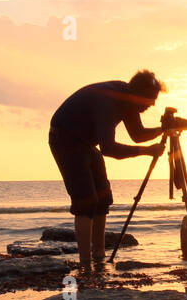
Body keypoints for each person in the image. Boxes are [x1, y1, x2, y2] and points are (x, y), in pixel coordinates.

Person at [48, 70, 168, 275]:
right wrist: (147, 152)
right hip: (65, 139)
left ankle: (99, 257)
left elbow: (137, 135)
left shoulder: (128, 100)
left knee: (103, 197)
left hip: (86, 143)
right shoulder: (108, 102)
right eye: (150, 99)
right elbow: (109, 149)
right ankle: (85, 264)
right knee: (85, 200)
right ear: (138, 94)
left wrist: (163, 128)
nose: (152, 105)